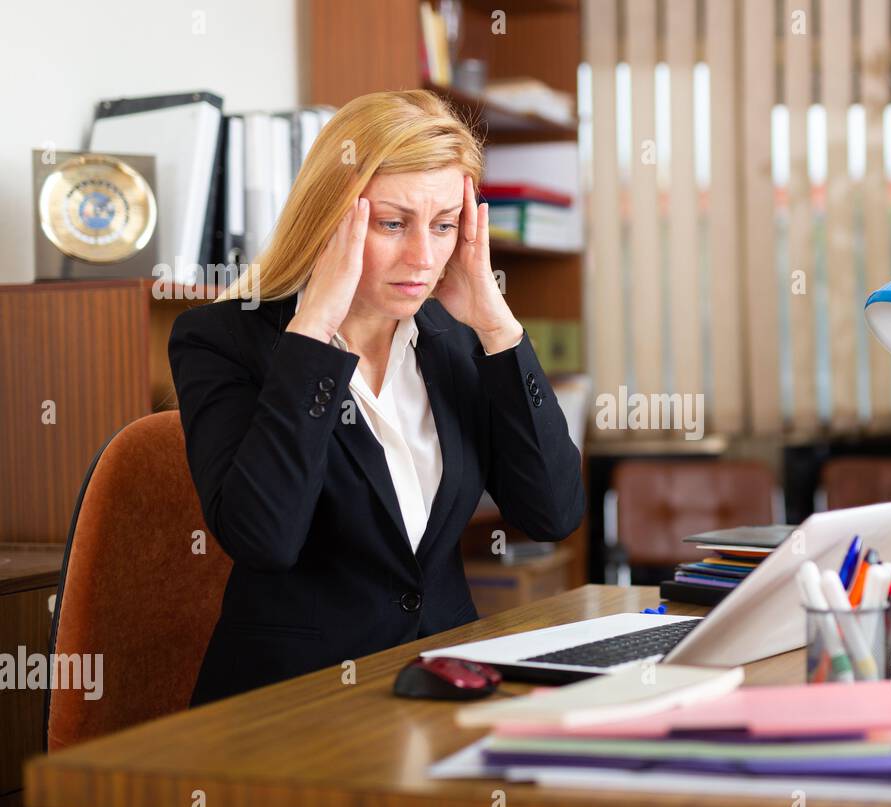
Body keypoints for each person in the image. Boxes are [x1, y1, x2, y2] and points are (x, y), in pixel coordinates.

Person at [168, 89, 584, 705]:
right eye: (393, 223)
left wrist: (500, 330)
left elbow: (553, 513)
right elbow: (264, 539)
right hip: (293, 707)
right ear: (329, 219)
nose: (423, 257)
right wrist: (312, 337)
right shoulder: (226, 339)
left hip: (442, 685)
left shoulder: (456, 341)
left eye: (444, 226)